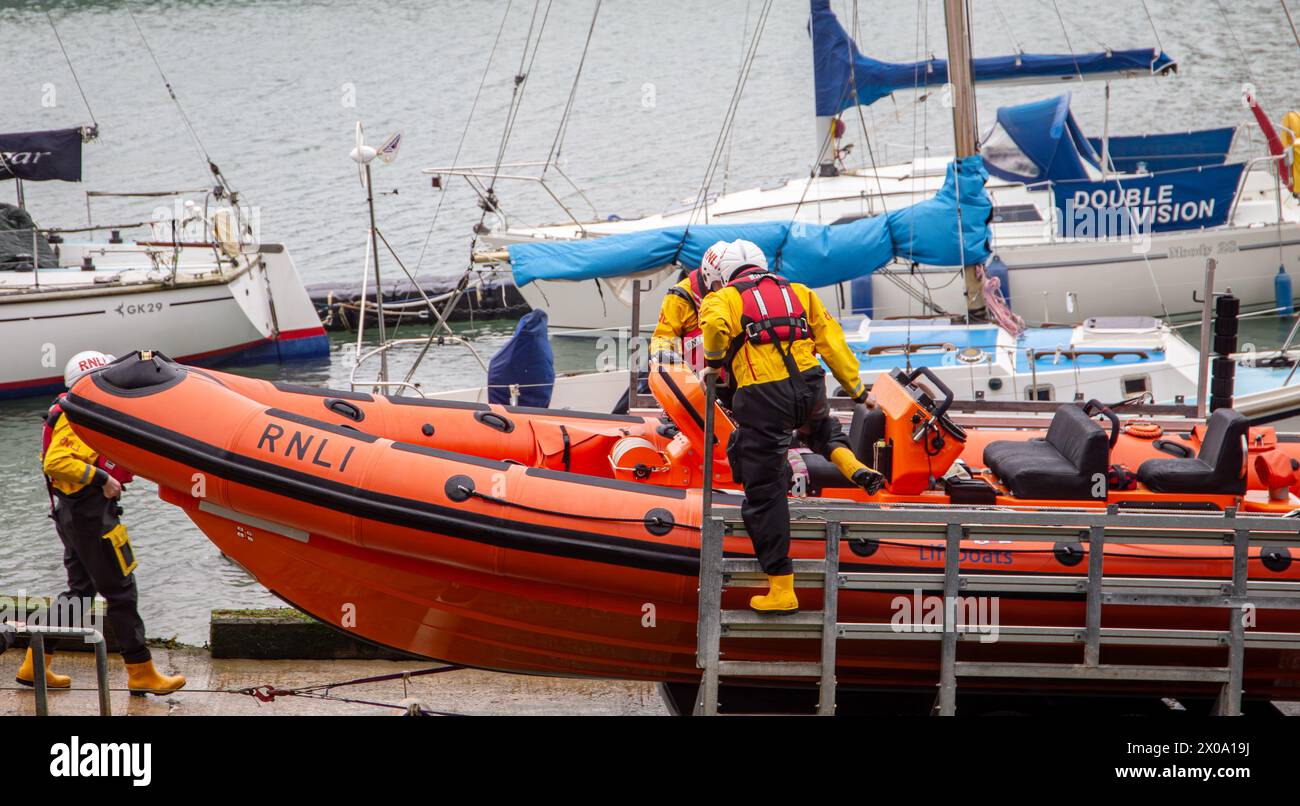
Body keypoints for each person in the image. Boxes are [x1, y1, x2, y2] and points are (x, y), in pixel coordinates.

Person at [700, 240, 884, 615]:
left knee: (765, 491)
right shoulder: (799, 293)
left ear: (720, 275)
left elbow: (716, 326)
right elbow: (832, 342)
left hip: (764, 396)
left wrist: (714, 364)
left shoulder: (723, 300)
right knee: (819, 429)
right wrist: (858, 391)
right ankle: (856, 468)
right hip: (809, 386)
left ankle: (781, 587)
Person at [20, 350, 186, 695]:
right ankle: (141, 671)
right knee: (121, 592)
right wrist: (101, 479)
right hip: (89, 515)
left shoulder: (71, 409)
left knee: (80, 594)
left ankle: (34, 664)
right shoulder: (77, 413)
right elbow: (57, 461)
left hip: (72, 513)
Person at [650, 240, 731, 372]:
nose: (724, 289)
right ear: (708, 276)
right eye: (720, 284)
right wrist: (663, 352)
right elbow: (662, 336)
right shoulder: (679, 297)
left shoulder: (737, 292)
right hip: (692, 375)